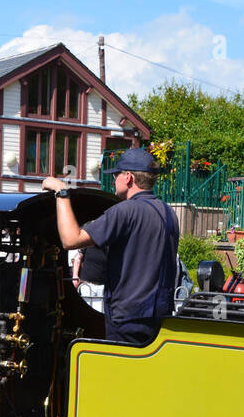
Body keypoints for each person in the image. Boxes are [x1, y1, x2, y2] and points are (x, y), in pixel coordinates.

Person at [44, 147, 179, 345]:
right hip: (159, 317)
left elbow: (70, 240)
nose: (114, 179)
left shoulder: (124, 211)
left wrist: (61, 192)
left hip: (127, 318)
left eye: (116, 174)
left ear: (128, 177)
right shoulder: (169, 213)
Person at [69, 244, 107, 313]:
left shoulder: (108, 246)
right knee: (86, 312)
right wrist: (75, 276)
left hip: (103, 287)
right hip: (87, 286)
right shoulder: (88, 244)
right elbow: (78, 258)